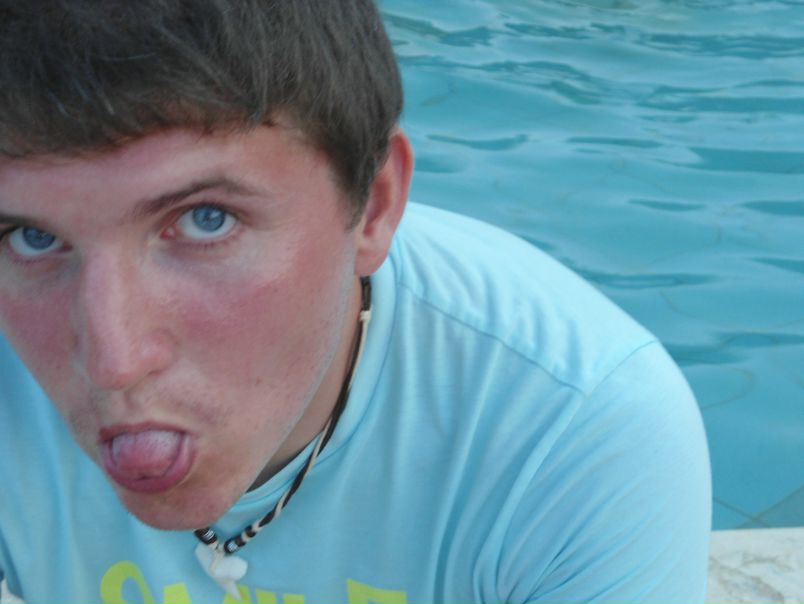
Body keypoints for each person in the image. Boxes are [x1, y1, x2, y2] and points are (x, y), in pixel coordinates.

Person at [0, 1, 711, 603]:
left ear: (373, 205)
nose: (115, 361)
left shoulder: (568, 430)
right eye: (33, 238)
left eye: (205, 221)